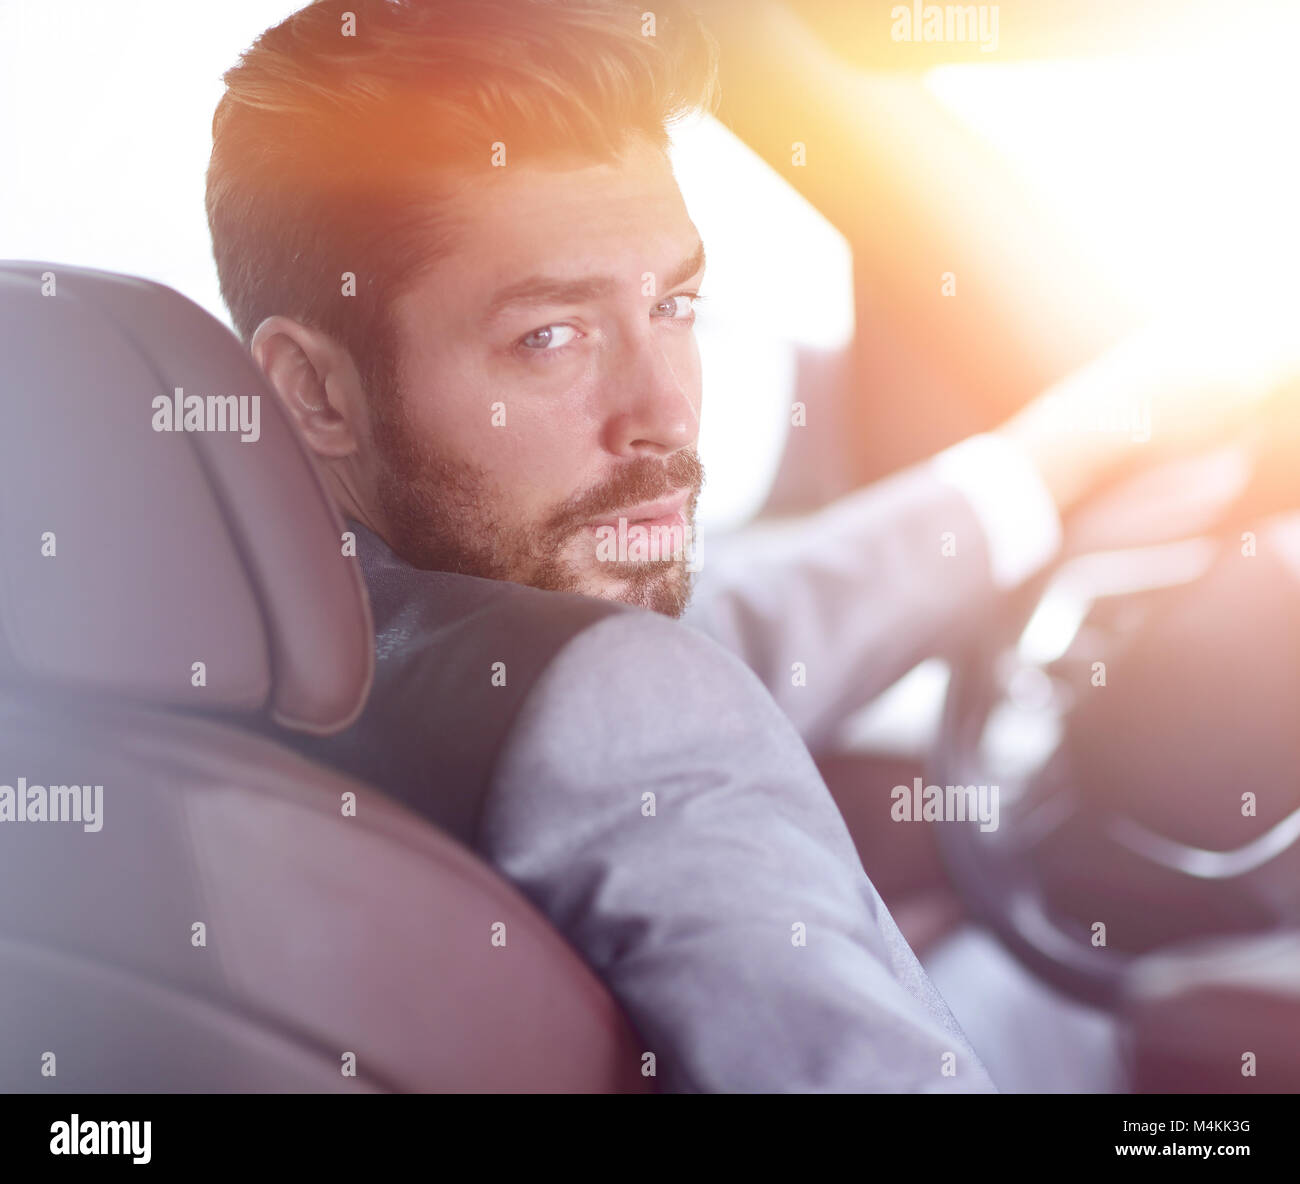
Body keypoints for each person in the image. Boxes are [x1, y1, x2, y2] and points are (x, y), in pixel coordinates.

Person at [206, 0, 1295, 1091]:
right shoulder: (616, 699)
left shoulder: (246, 649)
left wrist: (1066, 448)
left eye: (675, 304)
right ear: (313, 389)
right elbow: (639, 699)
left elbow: (721, 634)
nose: (667, 412)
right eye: (550, 336)